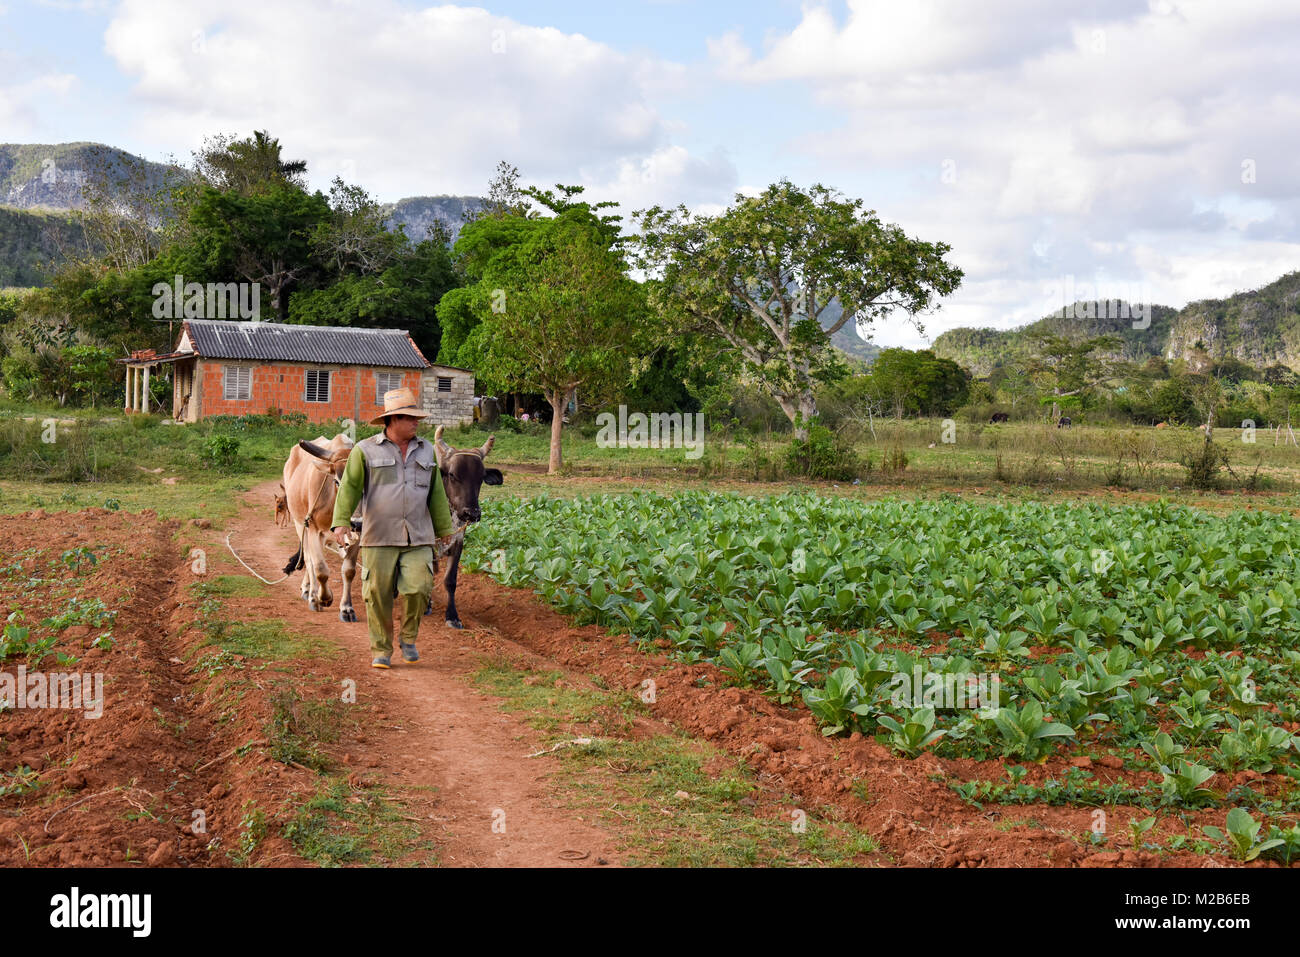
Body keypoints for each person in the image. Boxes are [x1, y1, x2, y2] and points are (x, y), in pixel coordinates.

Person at [330, 387, 454, 669]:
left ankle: (408, 639)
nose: (416, 422)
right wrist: (341, 522)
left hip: (418, 535)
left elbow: (435, 492)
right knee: (376, 594)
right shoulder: (365, 450)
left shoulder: (426, 450)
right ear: (393, 419)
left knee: (419, 588)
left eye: (416, 418)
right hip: (379, 536)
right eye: (411, 418)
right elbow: (349, 488)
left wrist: (444, 528)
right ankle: (381, 650)